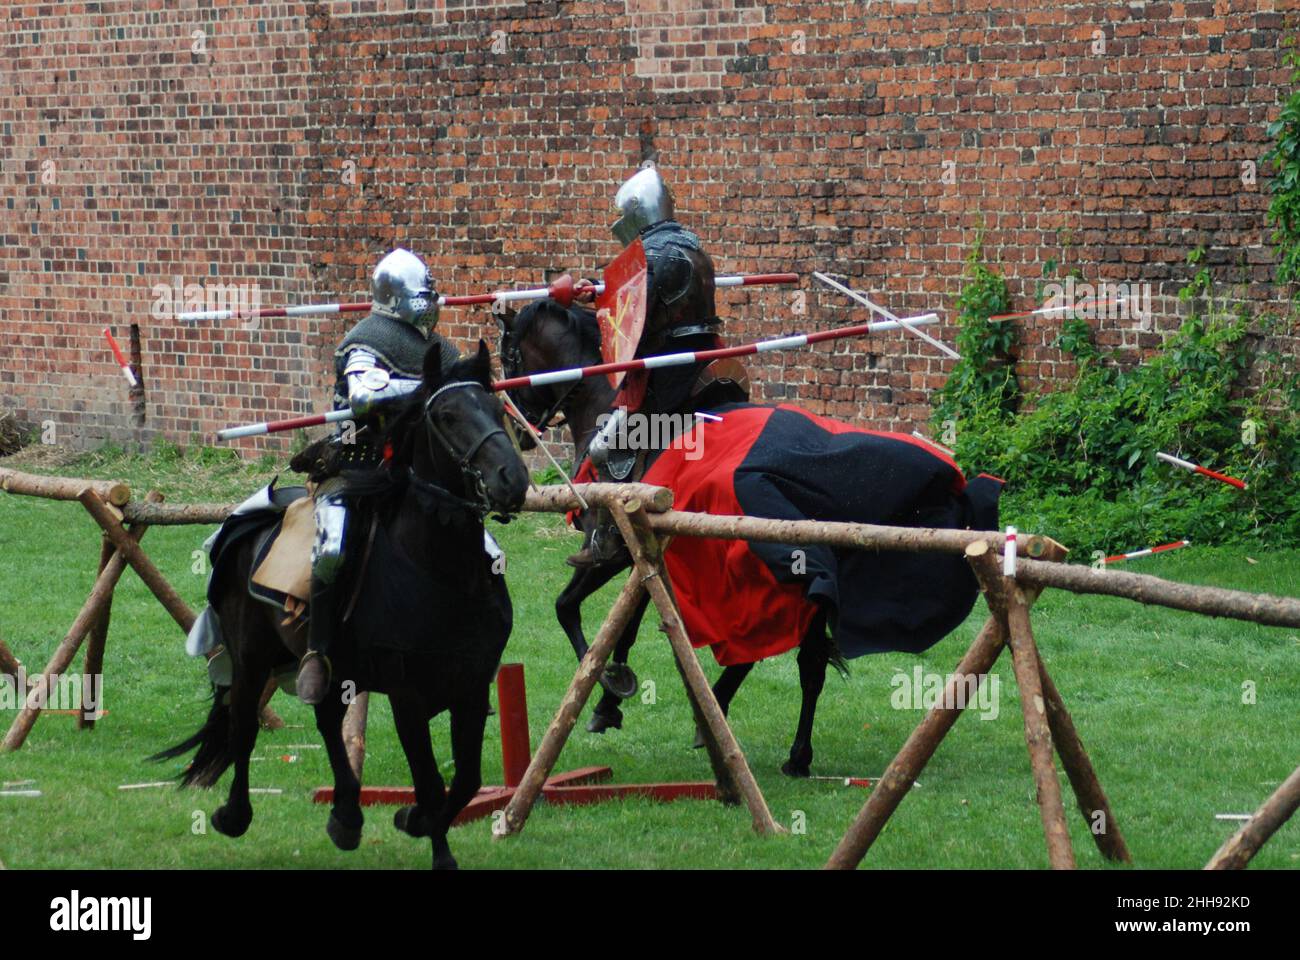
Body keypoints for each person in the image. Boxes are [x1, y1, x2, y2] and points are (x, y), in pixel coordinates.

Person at [296, 248, 460, 704]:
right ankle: (319, 652)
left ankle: (461, 653)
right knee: (331, 548)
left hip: (414, 469)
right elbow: (365, 397)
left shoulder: (441, 349)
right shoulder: (367, 337)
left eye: (431, 293)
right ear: (394, 297)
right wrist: (426, 388)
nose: (430, 302)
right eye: (420, 294)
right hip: (356, 465)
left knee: (479, 546)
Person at [568, 168, 746, 567]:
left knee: (606, 444)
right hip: (708, 355)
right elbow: (628, 302)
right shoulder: (693, 247)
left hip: (669, 368)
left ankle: (610, 539)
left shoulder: (651, 256)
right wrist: (595, 293)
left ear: (634, 213)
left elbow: (636, 323)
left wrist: (603, 315)